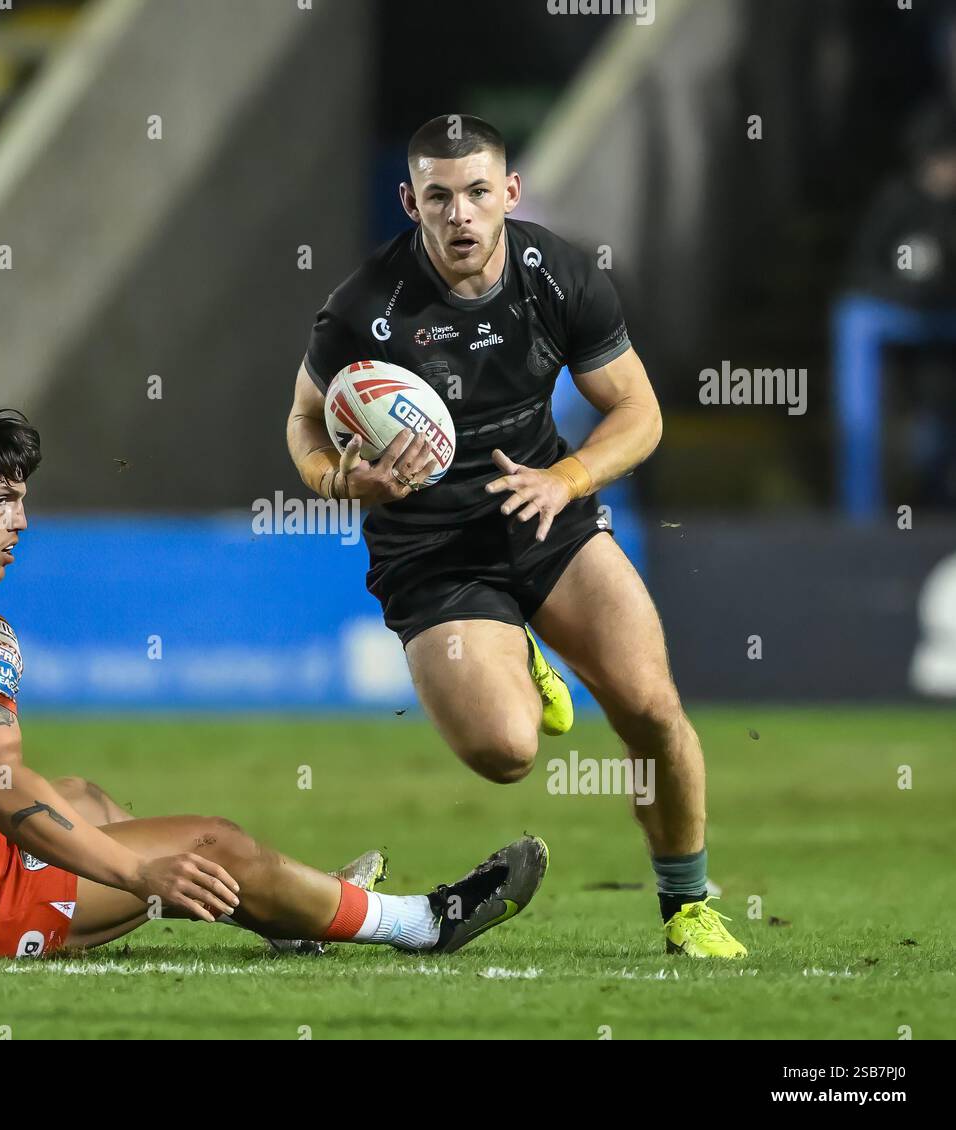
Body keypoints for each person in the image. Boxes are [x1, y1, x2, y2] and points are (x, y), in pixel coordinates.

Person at [0, 391, 547, 959]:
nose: (20, 521)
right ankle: (421, 924)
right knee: (214, 843)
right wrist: (141, 877)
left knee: (83, 798)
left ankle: (293, 921)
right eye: (0, 499)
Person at [285, 114, 746, 958]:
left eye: (476, 193)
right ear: (409, 201)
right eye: (438, 197)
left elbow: (638, 413)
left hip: (546, 509)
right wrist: (339, 480)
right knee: (505, 753)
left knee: (651, 708)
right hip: (429, 549)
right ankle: (518, 645)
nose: (460, 215)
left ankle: (687, 909)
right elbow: (305, 422)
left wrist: (567, 479)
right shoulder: (363, 306)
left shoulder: (561, 275)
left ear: (509, 193)